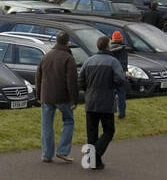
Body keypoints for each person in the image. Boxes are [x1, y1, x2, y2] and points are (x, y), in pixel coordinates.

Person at [81, 35, 126, 170]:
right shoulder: (113, 62)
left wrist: (88, 90)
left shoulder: (88, 61)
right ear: (108, 46)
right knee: (109, 130)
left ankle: (94, 162)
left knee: (92, 133)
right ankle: (94, 156)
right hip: (106, 100)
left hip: (90, 100)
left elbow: (81, 80)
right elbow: (120, 79)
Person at [35, 32, 79, 163]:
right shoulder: (68, 58)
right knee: (69, 121)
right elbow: (71, 81)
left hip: (46, 95)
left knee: (46, 125)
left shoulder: (46, 56)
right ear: (67, 42)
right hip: (62, 96)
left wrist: (38, 95)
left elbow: (38, 77)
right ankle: (62, 151)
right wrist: (74, 99)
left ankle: (47, 154)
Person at [108, 30, 129, 119]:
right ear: (121, 39)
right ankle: (122, 112)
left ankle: (112, 110)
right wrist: (125, 71)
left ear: (113, 39)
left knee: (111, 94)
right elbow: (124, 63)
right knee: (121, 94)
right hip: (121, 73)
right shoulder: (123, 50)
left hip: (112, 74)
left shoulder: (109, 50)